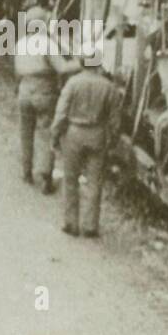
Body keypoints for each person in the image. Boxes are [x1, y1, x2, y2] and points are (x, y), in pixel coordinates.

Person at [52, 43, 120, 238]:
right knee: (94, 181)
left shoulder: (72, 83)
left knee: (70, 179)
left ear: (81, 62)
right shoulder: (109, 87)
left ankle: (70, 223)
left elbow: (61, 113)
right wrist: (112, 140)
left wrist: (55, 135)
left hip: (74, 134)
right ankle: (90, 226)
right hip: (97, 135)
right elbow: (115, 120)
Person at [14, 7, 77, 193]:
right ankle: (45, 178)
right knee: (46, 132)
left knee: (25, 132)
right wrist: (82, 63)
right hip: (44, 90)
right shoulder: (46, 43)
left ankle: (26, 172)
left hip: (24, 89)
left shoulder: (20, 43)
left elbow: (17, 71)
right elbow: (62, 68)